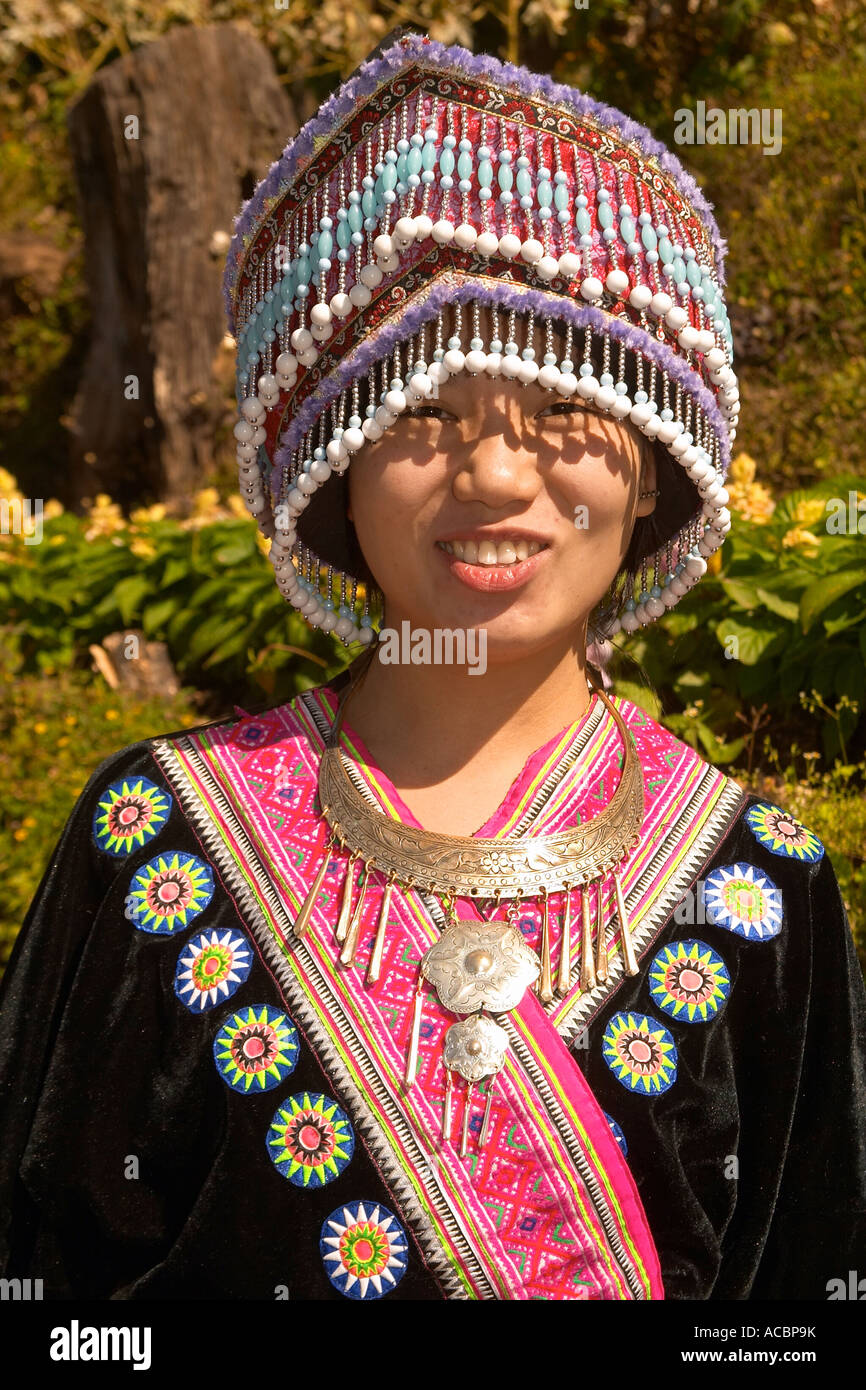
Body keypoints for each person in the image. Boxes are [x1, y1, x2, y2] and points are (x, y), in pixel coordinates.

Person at [1, 28, 864, 1303]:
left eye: (565, 403)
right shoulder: (154, 843)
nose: (498, 477)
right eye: (419, 408)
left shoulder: (755, 890)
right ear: (330, 465)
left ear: (655, 463)